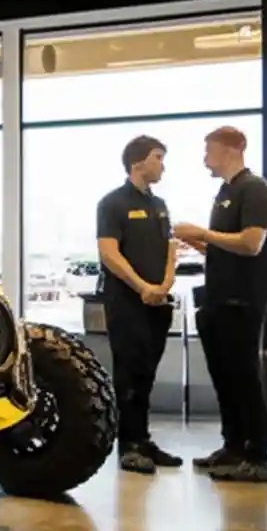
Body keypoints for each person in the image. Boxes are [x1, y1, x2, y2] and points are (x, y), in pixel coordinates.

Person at [173, 126, 267, 483]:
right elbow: (224, 247)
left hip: (242, 300)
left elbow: (251, 243)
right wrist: (197, 244)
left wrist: (202, 233)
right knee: (223, 377)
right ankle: (233, 447)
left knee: (245, 377)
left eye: (209, 150)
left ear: (232, 149)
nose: (205, 158)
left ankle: (257, 456)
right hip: (216, 298)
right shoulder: (225, 192)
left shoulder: (254, 188)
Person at [96, 135, 182, 474]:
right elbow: (109, 252)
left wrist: (164, 283)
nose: (163, 164)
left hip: (157, 302)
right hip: (126, 302)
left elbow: (169, 247)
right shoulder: (112, 203)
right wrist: (141, 286)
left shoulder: (159, 204)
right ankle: (128, 446)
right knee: (129, 373)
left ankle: (143, 438)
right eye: (158, 157)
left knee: (147, 372)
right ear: (137, 162)